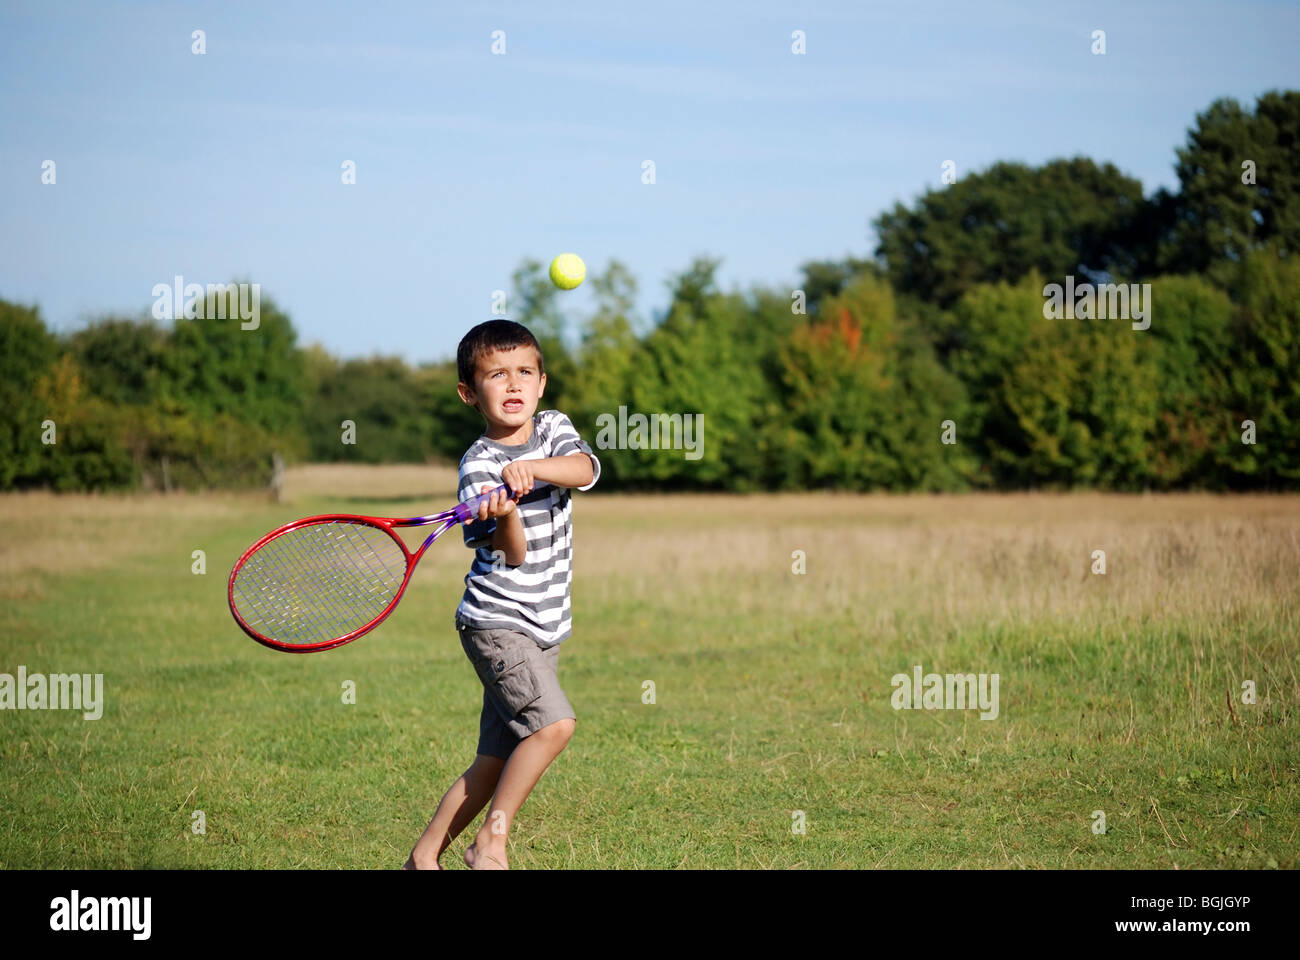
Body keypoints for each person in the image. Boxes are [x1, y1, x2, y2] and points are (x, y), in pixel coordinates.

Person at [404, 319, 600, 870]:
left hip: (545, 625)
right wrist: (506, 510)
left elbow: (584, 470)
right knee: (554, 726)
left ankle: (422, 858)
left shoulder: (554, 429)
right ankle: (492, 839)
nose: (512, 384)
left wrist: (532, 469)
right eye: (496, 374)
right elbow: (512, 553)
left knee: (494, 758)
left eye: (524, 372)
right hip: (497, 623)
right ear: (470, 393)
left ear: (541, 383)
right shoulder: (478, 466)